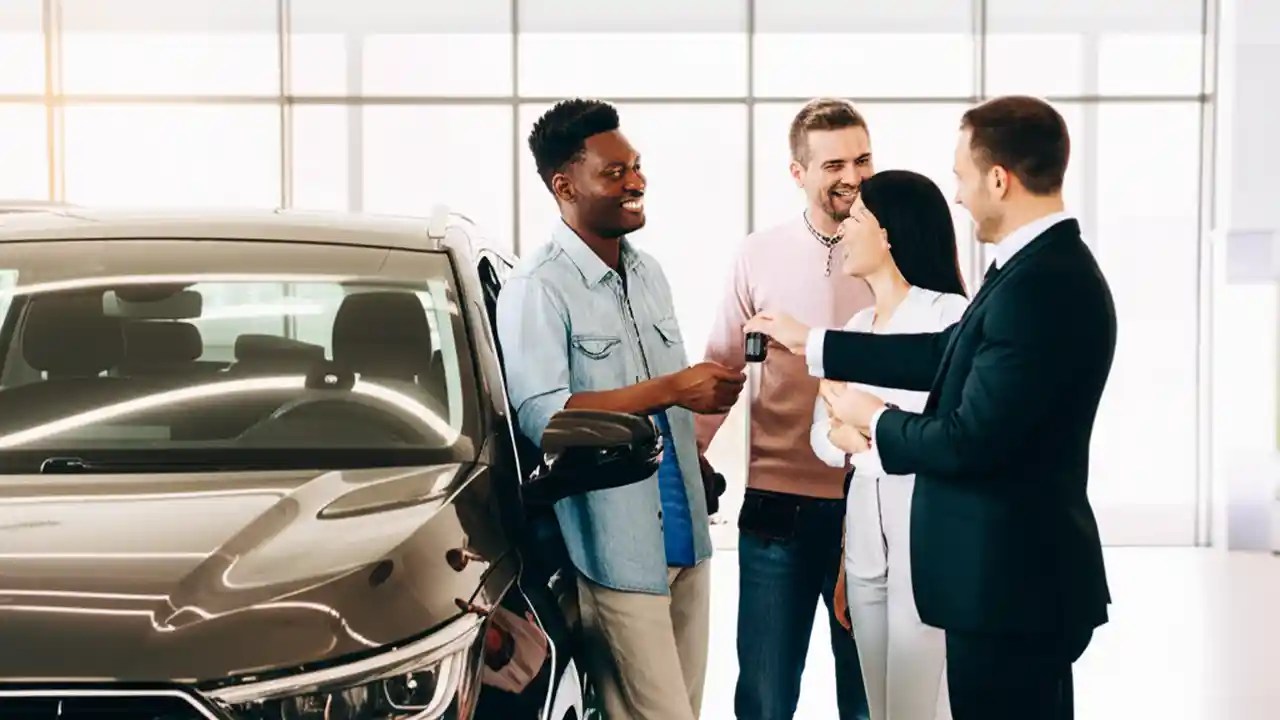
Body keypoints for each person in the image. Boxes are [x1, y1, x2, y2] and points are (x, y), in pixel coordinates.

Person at [746, 95, 1116, 720]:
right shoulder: (1031, 271)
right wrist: (817, 345)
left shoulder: (1045, 283)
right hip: (997, 582)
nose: (960, 195)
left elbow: (969, 440)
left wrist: (873, 421)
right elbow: (947, 353)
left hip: (1011, 582)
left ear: (999, 178)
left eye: (963, 177)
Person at [497, 98, 745, 720]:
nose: (635, 182)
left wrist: (695, 443)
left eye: (636, 167)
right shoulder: (539, 287)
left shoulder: (650, 272)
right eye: (614, 172)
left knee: (685, 706)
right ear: (564, 185)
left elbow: (666, 395)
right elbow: (545, 416)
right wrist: (674, 389)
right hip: (615, 551)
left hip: (687, 535)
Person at [696, 97, 873, 720]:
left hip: (875, 506)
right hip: (778, 510)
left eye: (862, 158)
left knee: (869, 700)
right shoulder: (757, 253)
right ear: (798, 173)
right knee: (766, 700)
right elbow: (722, 369)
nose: (852, 175)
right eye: (833, 164)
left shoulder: (896, 252)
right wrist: (683, 464)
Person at [808, 169, 968, 720]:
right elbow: (822, 434)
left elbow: (942, 431)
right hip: (862, 534)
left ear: (890, 233)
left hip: (924, 525)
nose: (844, 230)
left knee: (919, 705)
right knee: (879, 707)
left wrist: (862, 429)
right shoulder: (855, 324)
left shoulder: (949, 316)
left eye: (856, 219)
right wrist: (849, 435)